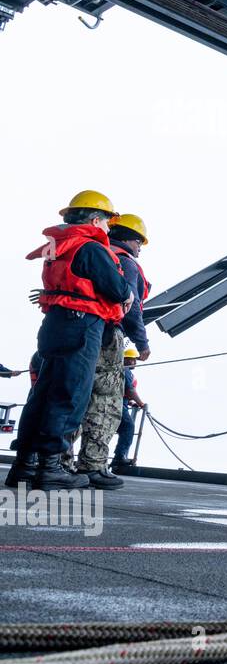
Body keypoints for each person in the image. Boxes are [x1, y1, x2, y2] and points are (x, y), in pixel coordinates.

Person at [5, 192, 133, 490]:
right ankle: (50, 468)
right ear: (94, 219)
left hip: (55, 323)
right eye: (106, 222)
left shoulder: (59, 245)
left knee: (43, 394)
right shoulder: (90, 246)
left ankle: (24, 465)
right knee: (70, 394)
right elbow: (115, 288)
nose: (107, 229)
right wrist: (126, 293)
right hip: (82, 324)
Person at [70, 213, 150, 490]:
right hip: (104, 336)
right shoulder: (125, 263)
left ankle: (59, 461)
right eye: (140, 242)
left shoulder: (89, 252)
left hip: (76, 328)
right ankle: (93, 466)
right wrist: (142, 342)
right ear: (130, 239)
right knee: (104, 402)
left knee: (73, 396)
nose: (140, 248)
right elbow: (132, 306)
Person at [112, 346, 145, 472]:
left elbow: (123, 391)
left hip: (121, 402)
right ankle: (120, 456)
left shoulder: (126, 372)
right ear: (126, 359)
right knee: (128, 427)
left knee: (123, 428)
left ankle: (118, 456)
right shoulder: (125, 371)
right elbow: (130, 390)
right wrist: (141, 403)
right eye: (132, 359)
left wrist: (130, 402)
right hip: (118, 404)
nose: (134, 362)